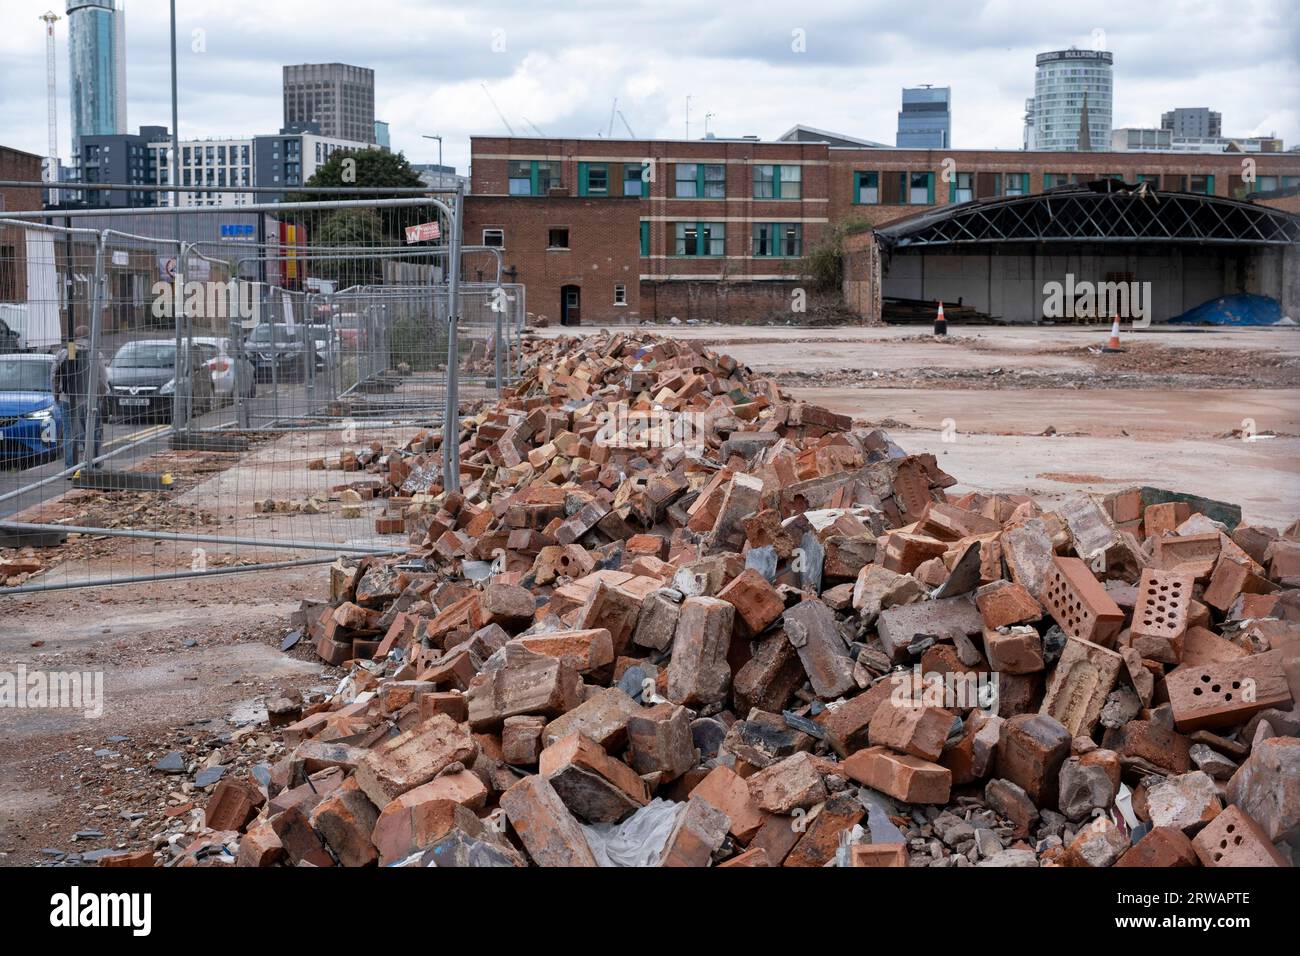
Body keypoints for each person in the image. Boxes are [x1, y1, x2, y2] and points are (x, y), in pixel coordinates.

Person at [51, 326, 106, 471]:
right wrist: (100, 396)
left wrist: (56, 396)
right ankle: (93, 463)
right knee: (92, 430)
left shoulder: (64, 352)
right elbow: (102, 379)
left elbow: (54, 376)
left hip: (67, 398)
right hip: (89, 399)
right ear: (89, 336)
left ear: (75, 336)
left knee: (69, 432)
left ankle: (71, 467)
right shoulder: (95, 353)